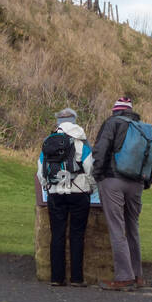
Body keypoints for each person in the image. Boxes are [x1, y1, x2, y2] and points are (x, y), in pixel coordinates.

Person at [91, 96, 152, 291]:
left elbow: (100, 151)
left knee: (116, 229)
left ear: (115, 111)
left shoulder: (112, 123)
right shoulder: (145, 130)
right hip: (136, 184)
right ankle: (137, 276)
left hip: (113, 180)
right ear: (131, 111)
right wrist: (144, 183)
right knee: (132, 228)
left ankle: (124, 277)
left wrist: (97, 176)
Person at [36, 107, 95, 287]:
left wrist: (49, 185)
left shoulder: (49, 142)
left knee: (57, 234)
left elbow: (41, 170)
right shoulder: (81, 143)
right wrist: (90, 187)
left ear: (58, 122)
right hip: (79, 193)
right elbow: (90, 168)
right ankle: (77, 278)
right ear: (75, 120)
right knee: (77, 234)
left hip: (55, 193)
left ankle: (57, 278)